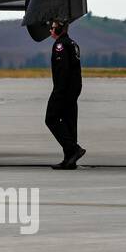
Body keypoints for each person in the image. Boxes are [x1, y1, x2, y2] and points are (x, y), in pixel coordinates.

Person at [46, 18, 85, 170]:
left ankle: (73, 149)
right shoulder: (73, 43)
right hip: (74, 89)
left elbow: (62, 72)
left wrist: (58, 92)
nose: (50, 30)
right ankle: (70, 160)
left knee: (51, 118)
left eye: (52, 27)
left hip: (64, 90)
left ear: (58, 29)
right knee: (69, 122)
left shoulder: (60, 45)